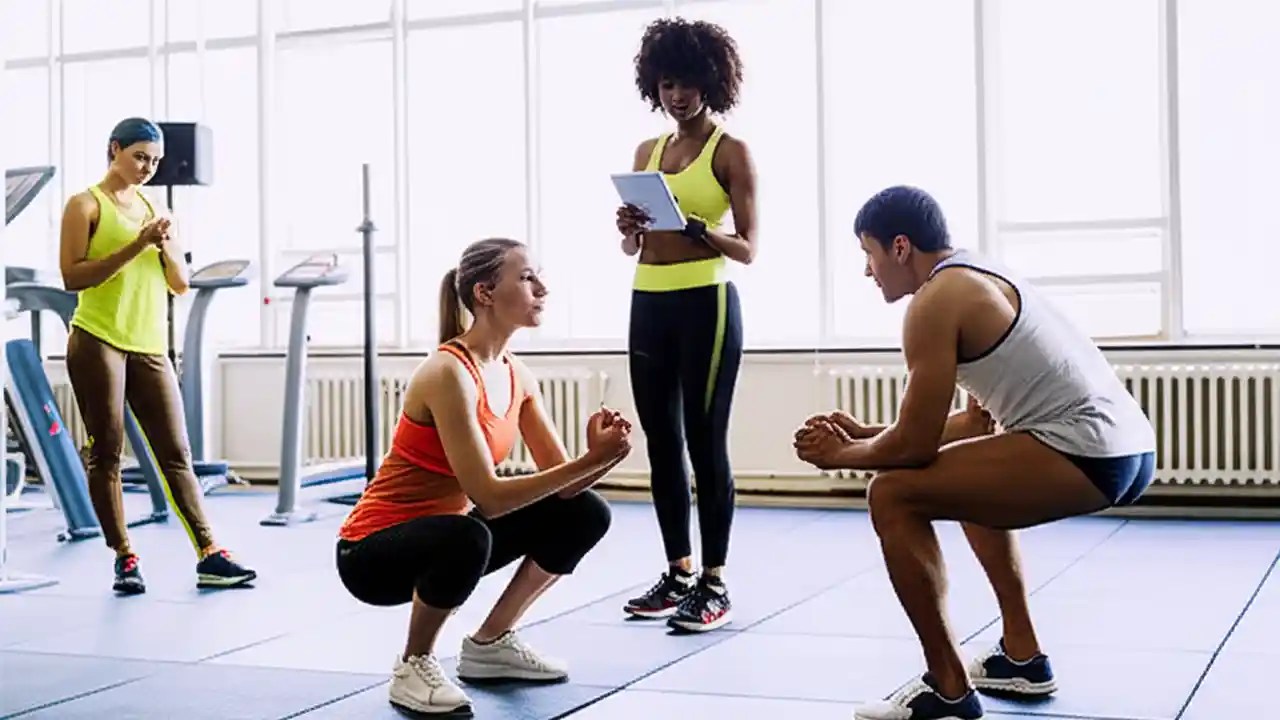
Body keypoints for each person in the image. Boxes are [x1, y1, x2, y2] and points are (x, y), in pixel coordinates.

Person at [794, 186, 1156, 720]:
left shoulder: (935, 302)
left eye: (868, 254)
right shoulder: (975, 275)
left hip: (1084, 451)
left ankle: (948, 688)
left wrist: (843, 454)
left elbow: (913, 447)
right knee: (962, 468)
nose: (868, 272)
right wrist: (869, 432)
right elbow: (973, 423)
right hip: (1128, 448)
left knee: (892, 493)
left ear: (899, 247)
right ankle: (1022, 656)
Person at [335, 237, 629, 716]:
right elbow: (489, 498)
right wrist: (588, 461)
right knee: (468, 535)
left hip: (449, 537)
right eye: (527, 277)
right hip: (371, 554)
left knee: (586, 512)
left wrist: (601, 457)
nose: (543, 288)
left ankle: (490, 643)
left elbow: (566, 486)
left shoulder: (517, 375)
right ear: (485, 293)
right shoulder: (446, 373)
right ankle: (414, 663)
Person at [59, 117, 257, 596]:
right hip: (98, 339)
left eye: (155, 161)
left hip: (148, 345)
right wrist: (137, 244)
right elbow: (73, 277)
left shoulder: (155, 208)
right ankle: (125, 558)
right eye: (140, 157)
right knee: (106, 452)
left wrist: (167, 248)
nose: (148, 168)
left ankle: (210, 554)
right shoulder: (84, 205)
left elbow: (179, 284)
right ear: (115, 150)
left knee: (177, 455)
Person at [614, 16, 758, 633]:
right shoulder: (647, 153)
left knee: (705, 442)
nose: (677, 94)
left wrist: (698, 229)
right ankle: (678, 573)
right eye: (668, 82)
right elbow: (634, 249)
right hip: (648, 299)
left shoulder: (731, 151)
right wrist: (630, 231)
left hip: (708, 303)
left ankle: (715, 583)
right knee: (661, 445)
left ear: (711, 82)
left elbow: (749, 248)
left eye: (688, 81)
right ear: (656, 84)